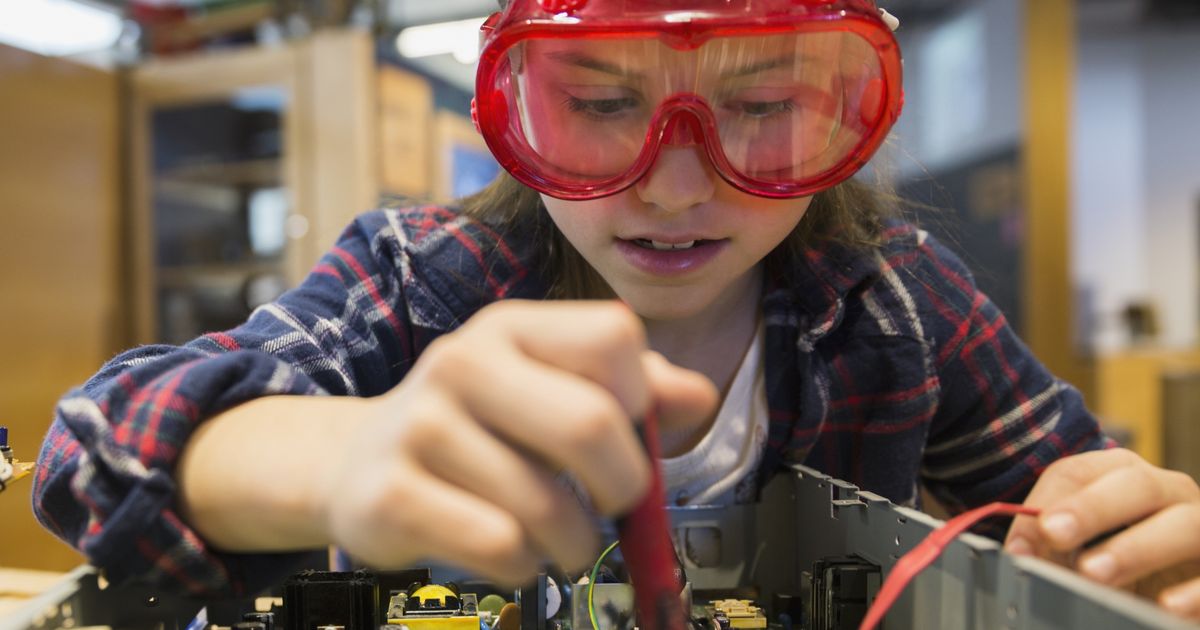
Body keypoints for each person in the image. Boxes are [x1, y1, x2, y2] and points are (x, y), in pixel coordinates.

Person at [32, 0, 1200, 618]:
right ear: (514, 105)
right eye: (598, 100)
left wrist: (1134, 538)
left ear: (849, 118)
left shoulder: (897, 298)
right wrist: (335, 455)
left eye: (765, 106)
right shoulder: (419, 279)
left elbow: (1084, 513)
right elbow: (90, 449)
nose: (679, 185)